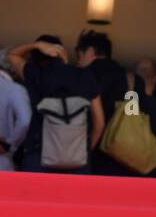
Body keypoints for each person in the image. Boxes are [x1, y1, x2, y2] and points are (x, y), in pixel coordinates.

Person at [8, 35, 103, 173]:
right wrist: (85, 150)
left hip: (38, 155)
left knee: (36, 195)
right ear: (61, 52)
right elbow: (99, 123)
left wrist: (37, 45)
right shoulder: (85, 76)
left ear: (35, 57)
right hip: (78, 159)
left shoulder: (35, 74)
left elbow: (12, 54)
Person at [75, 30, 150, 175]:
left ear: (90, 51)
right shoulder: (133, 80)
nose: (78, 63)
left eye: (80, 56)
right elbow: (134, 114)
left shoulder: (83, 76)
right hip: (125, 159)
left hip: (90, 157)